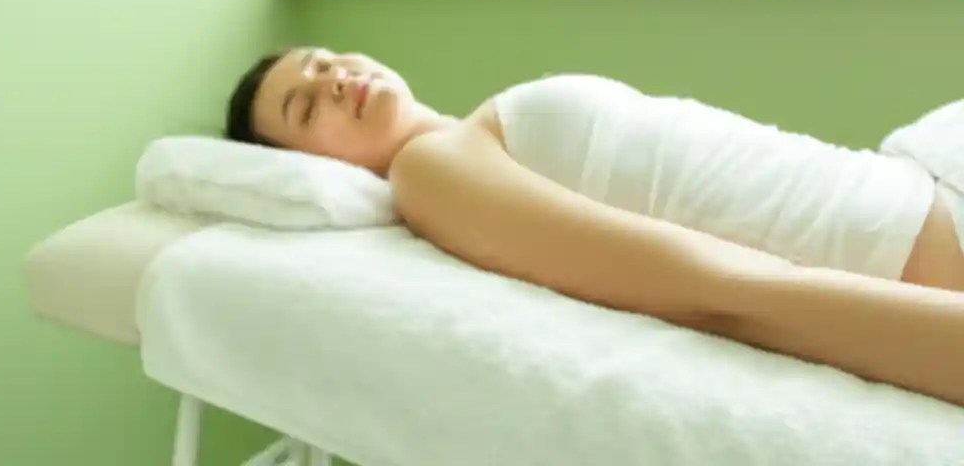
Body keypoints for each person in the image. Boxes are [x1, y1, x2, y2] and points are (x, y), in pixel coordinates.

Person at [224, 46, 964, 408]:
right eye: (305, 106)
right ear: (310, 164)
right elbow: (710, 287)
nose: (335, 81)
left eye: (325, 63)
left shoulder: (470, 132)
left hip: (921, 181)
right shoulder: (429, 172)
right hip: (931, 242)